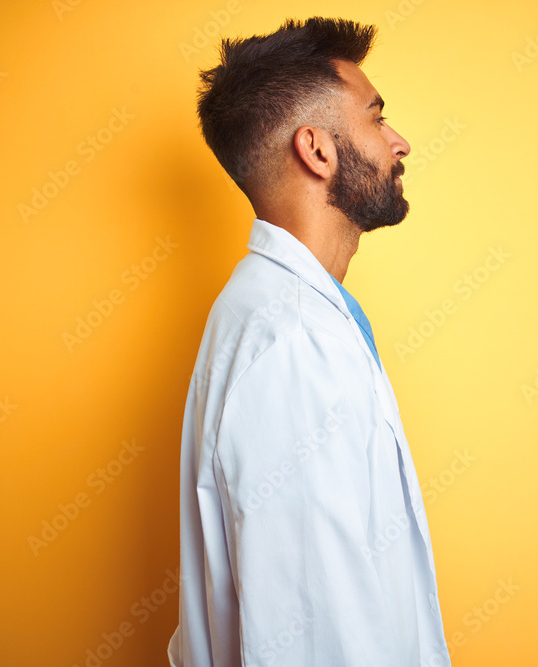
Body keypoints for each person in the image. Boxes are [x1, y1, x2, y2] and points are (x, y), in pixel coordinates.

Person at [169, 16, 452, 667]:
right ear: (317, 151)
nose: (400, 143)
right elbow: (315, 635)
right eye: (377, 117)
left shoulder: (289, 316)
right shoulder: (292, 343)